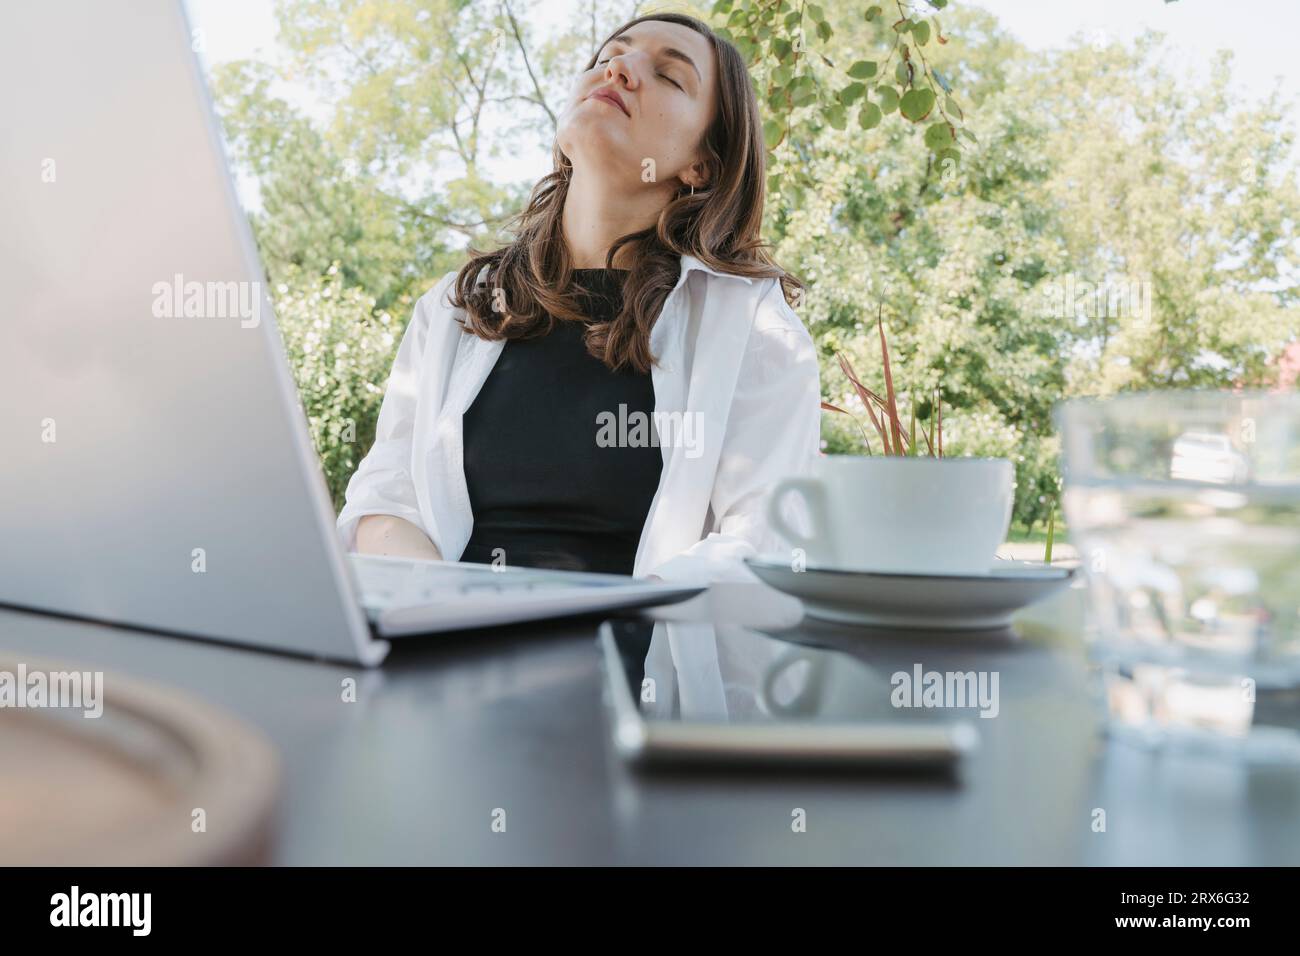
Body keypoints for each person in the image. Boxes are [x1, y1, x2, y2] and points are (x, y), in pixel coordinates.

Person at [337, 12, 820, 584]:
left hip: (629, 662)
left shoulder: (753, 327)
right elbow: (387, 496)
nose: (620, 68)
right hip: (442, 649)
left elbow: (759, 539)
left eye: (669, 75)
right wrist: (449, 612)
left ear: (702, 164)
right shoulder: (456, 307)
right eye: (608, 55)